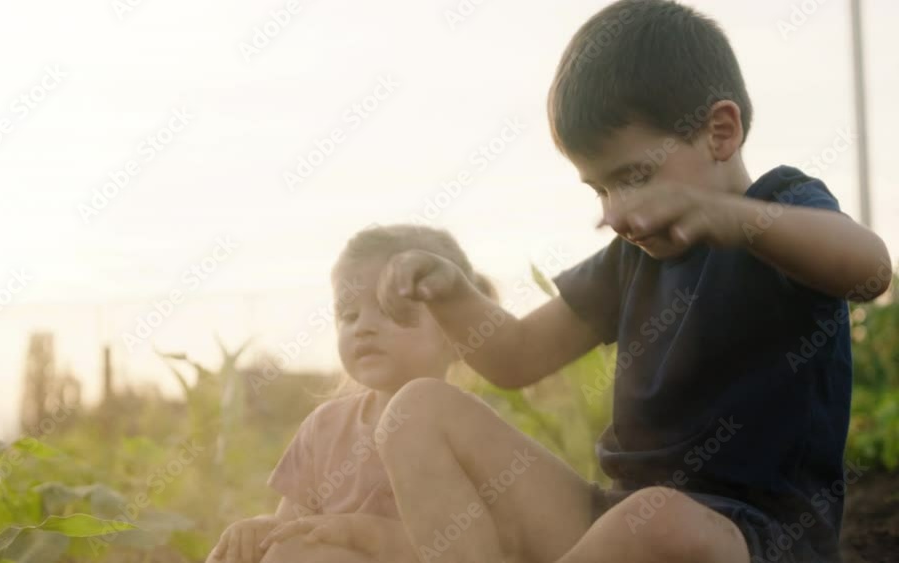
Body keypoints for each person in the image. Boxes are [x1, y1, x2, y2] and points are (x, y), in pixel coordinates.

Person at [282, 1, 891, 562]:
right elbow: (516, 358)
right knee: (417, 409)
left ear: (720, 132)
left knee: (656, 519)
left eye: (634, 177)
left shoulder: (782, 209)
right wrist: (449, 291)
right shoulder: (633, 258)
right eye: (601, 189)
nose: (618, 211)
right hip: (609, 524)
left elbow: (869, 269)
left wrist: (733, 219)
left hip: (750, 538)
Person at [205, 224, 497, 563]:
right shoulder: (324, 427)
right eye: (348, 315)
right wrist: (259, 529)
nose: (363, 327)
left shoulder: (468, 428)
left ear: (457, 331)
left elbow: (484, 547)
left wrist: (366, 533)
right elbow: (291, 528)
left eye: (389, 310)